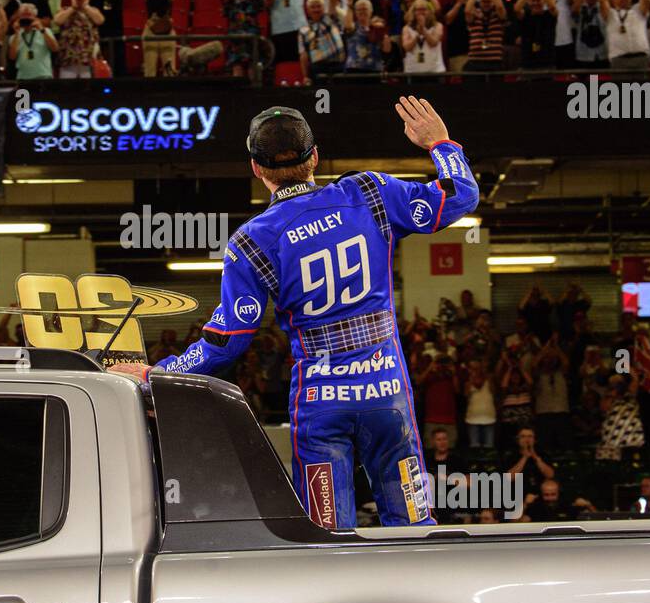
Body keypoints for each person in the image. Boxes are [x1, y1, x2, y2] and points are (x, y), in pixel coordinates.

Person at [109, 97, 480, 528]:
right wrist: (439, 143)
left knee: (327, 539)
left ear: (256, 168)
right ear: (315, 156)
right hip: (388, 397)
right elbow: (461, 195)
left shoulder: (251, 242)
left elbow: (225, 344)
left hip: (320, 406)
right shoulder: (369, 193)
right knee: (413, 526)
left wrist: (157, 373)